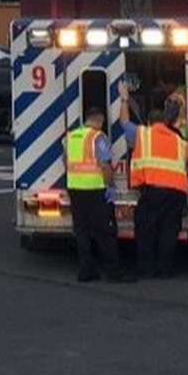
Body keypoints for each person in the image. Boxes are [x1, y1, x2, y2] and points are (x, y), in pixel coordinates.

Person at [63, 105, 139, 283]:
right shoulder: (98, 138)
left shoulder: (71, 137)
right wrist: (109, 185)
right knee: (106, 233)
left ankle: (86, 271)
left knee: (82, 232)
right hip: (95, 191)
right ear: (99, 119)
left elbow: (66, 161)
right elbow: (105, 165)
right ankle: (114, 273)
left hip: (75, 190)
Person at [130, 100, 188, 280]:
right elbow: (187, 158)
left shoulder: (143, 134)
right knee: (168, 232)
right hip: (178, 192)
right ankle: (165, 270)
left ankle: (147, 269)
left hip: (155, 190)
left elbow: (125, 124)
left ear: (149, 122)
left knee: (146, 230)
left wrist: (125, 100)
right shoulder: (179, 140)